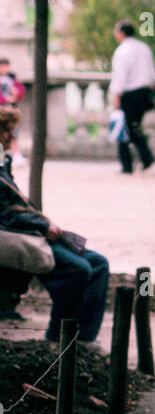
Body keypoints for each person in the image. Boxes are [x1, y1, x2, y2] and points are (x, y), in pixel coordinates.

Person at [0, 106, 110, 344]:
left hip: (28, 233)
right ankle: (59, 338)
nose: (12, 136)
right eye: (7, 130)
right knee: (77, 270)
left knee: (99, 264)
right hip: (21, 237)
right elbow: (4, 216)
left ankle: (85, 338)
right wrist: (42, 226)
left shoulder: (2, 162)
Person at [109, 20, 155, 174]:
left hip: (129, 94)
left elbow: (120, 77)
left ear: (121, 33)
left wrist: (117, 96)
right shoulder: (144, 48)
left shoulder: (122, 51)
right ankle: (142, 158)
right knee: (133, 127)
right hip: (143, 93)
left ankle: (131, 162)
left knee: (126, 129)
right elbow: (152, 73)